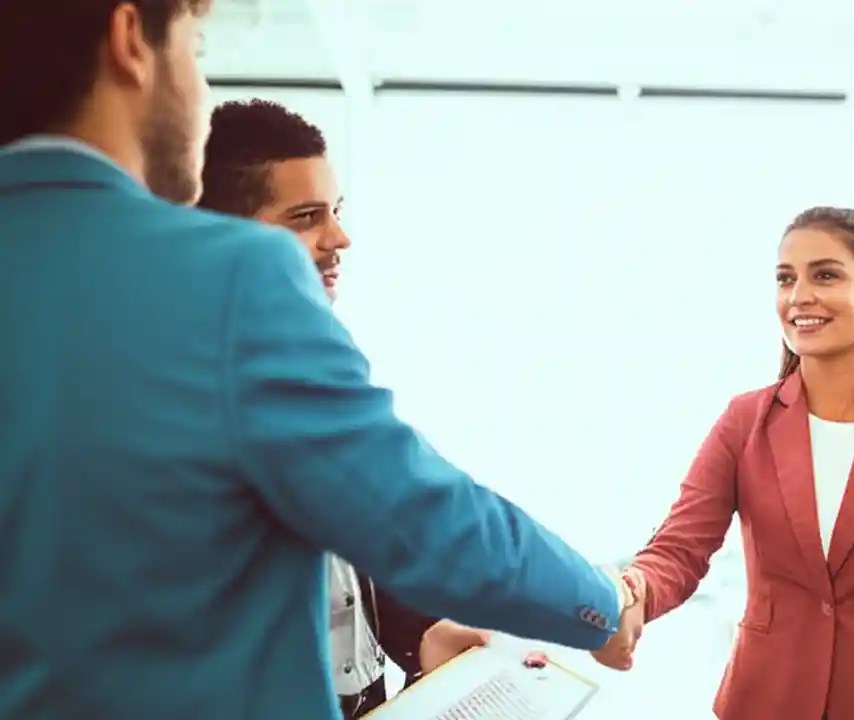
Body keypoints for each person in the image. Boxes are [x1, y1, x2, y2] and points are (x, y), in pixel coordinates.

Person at [0, 3, 640, 718]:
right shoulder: (232, 276)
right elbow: (420, 516)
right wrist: (600, 600)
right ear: (130, 42)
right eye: (195, 44)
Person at [594, 206, 854, 720]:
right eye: (786, 280)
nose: (799, 296)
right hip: (766, 700)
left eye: (825, 275)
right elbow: (680, 548)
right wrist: (633, 593)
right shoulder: (745, 422)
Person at [198, 99, 490, 718]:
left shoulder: (314, 371)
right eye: (307, 217)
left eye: (335, 211)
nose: (340, 239)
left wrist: (423, 637)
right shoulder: (177, 397)